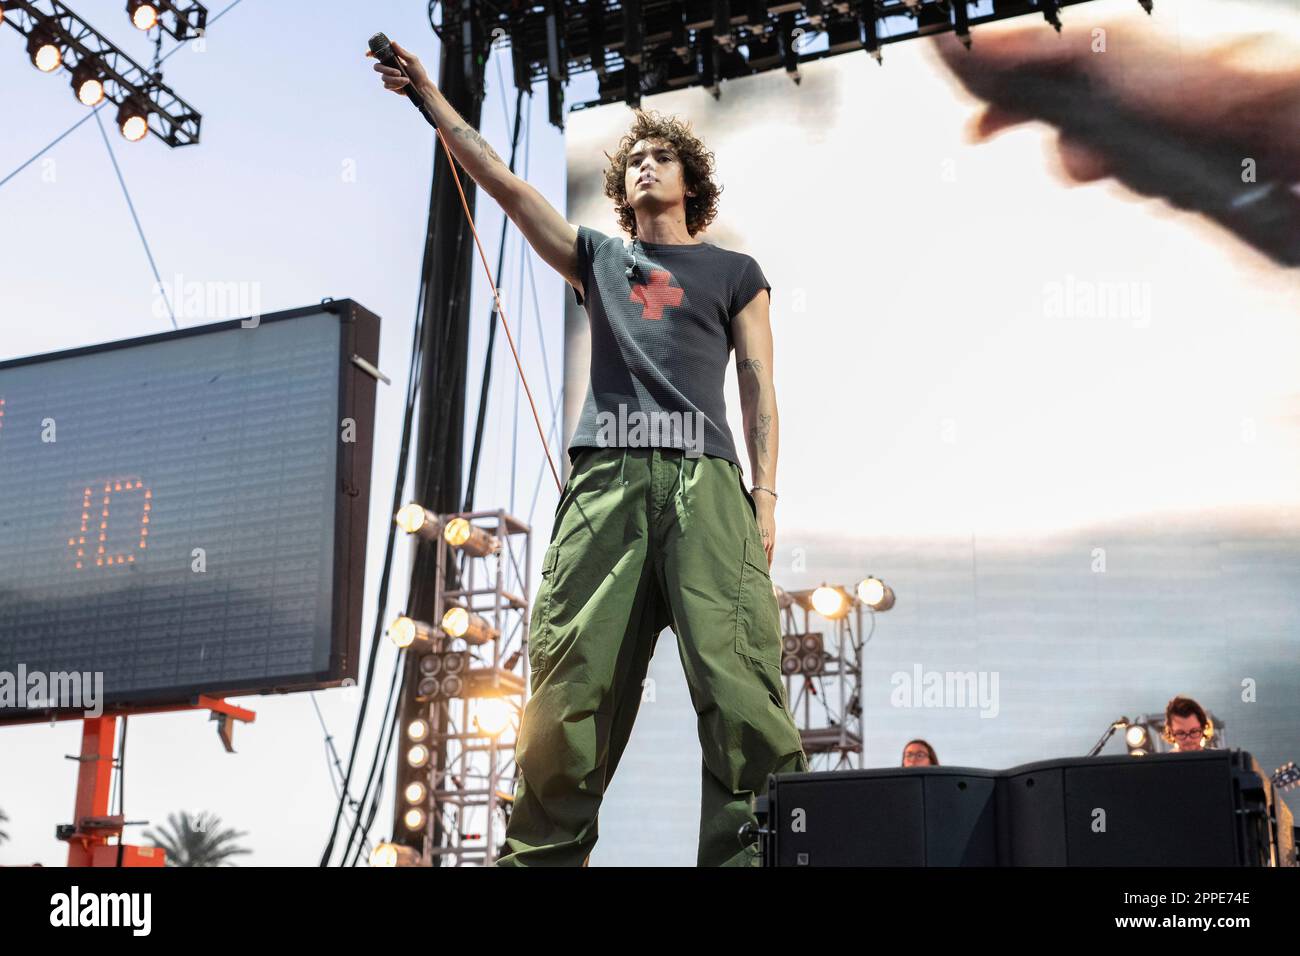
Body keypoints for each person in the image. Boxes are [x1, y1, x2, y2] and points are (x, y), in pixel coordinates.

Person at [370, 42, 808, 867]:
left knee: (741, 683)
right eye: (635, 159)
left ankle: (755, 860)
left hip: (707, 482)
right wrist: (429, 98)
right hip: (606, 478)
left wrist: (767, 497)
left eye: (662, 157)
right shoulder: (600, 258)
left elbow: (759, 384)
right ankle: (538, 859)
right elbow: (501, 182)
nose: (646, 167)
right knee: (570, 687)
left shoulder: (735, 271)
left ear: (692, 183)